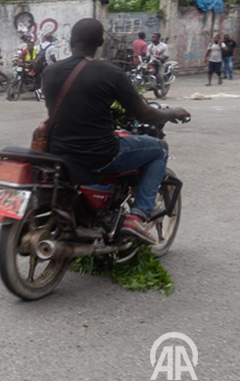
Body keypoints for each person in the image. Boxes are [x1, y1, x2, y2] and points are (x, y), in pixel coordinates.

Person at [41, 18, 190, 243]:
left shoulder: (50, 72)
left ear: (70, 41)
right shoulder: (110, 73)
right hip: (99, 154)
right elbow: (144, 114)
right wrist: (173, 112)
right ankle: (138, 217)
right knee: (159, 149)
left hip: (58, 152)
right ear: (100, 42)